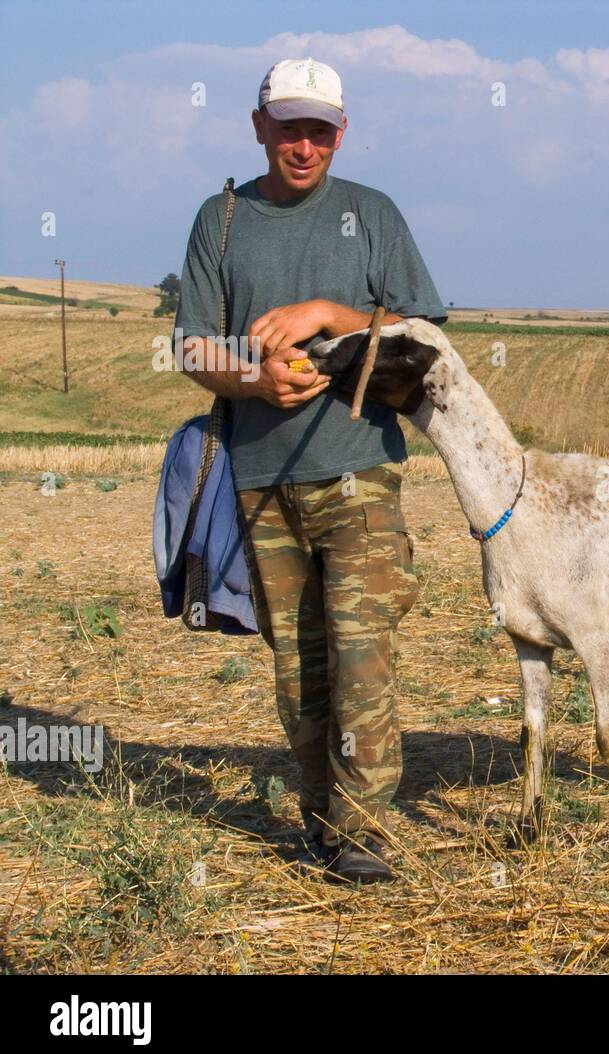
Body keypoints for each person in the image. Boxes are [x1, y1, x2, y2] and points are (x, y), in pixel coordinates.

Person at [174, 57, 445, 883]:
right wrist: (255, 378)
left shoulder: (373, 214)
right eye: (289, 126)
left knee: (362, 655)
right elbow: (193, 345)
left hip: (359, 471)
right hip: (260, 483)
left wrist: (331, 313)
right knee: (301, 667)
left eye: (319, 130)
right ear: (258, 126)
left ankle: (363, 832)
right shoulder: (220, 221)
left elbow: (427, 333)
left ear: (341, 132)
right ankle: (321, 818)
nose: (304, 144)